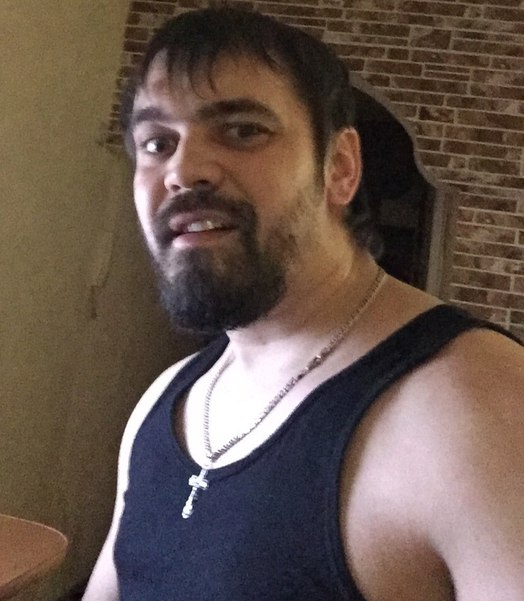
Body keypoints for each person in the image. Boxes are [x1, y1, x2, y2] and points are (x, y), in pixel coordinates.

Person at [83, 7, 524, 601]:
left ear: (339, 168)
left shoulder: (480, 407)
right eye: (157, 143)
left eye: (243, 131)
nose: (184, 170)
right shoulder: (163, 404)